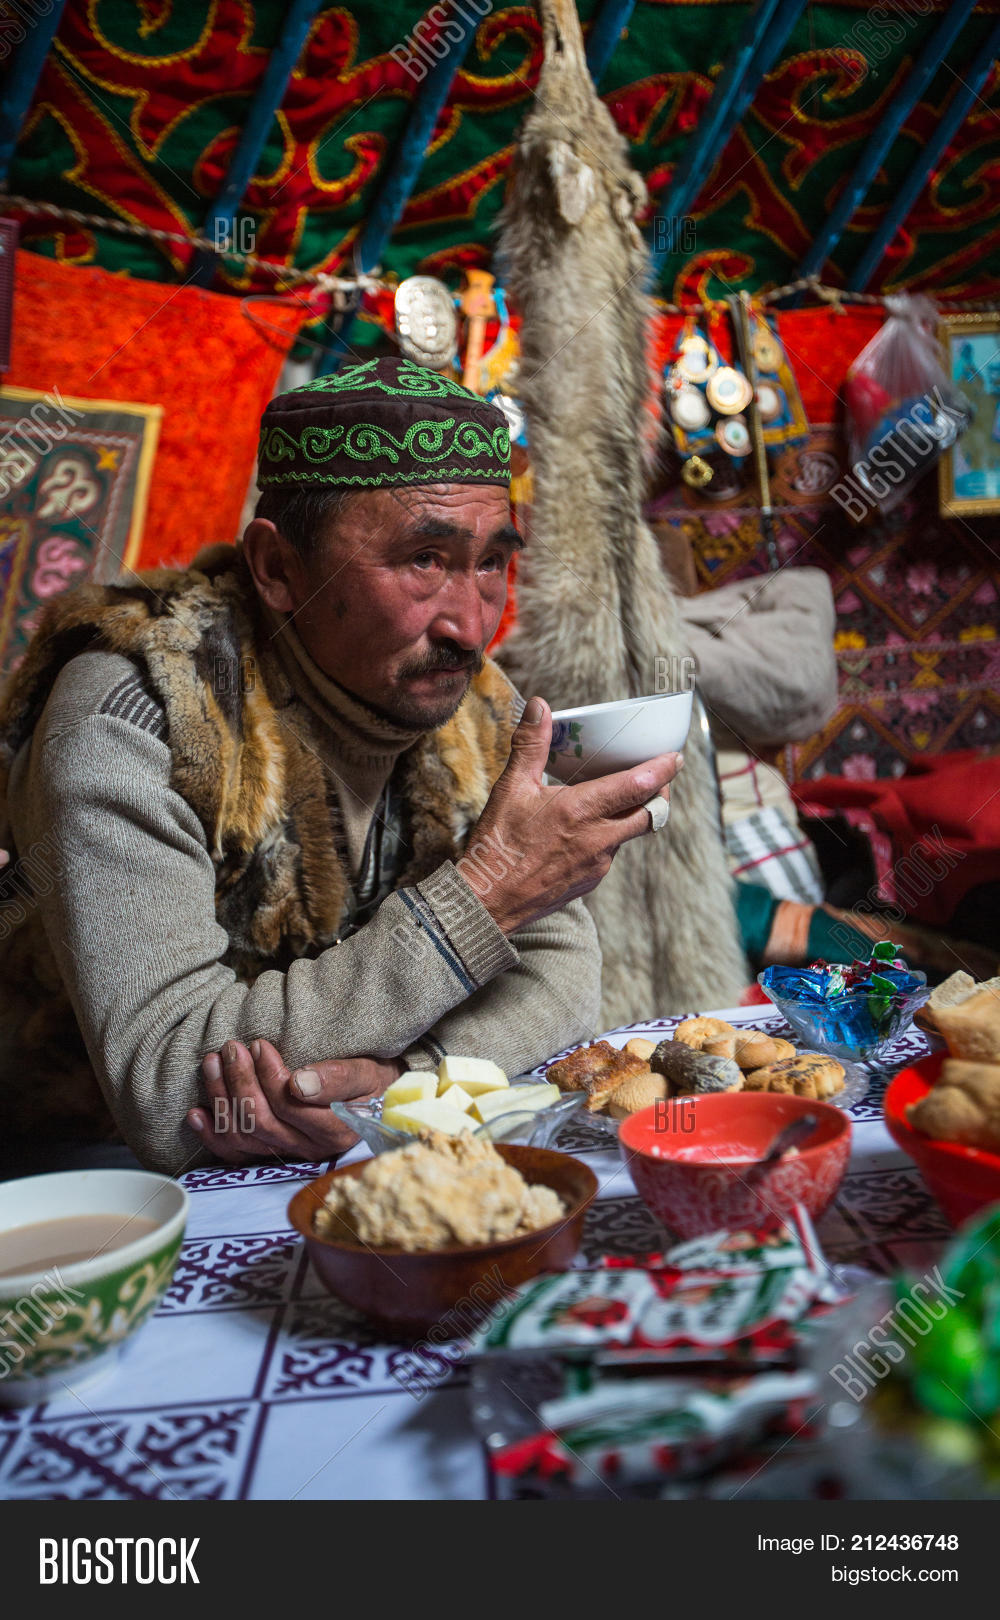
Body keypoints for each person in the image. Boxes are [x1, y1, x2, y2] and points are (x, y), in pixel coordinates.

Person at [0, 358, 680, 1175]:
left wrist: (411, 1084)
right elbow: (166, 1085)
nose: (472, 625)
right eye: (425, 559)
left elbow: (562, 974)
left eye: (492, 562)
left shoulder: (479, 705)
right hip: (79, 1183)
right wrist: (484, 897)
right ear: (279, 568)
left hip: (343, 1147)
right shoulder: (140, 713)